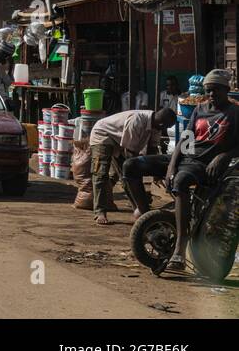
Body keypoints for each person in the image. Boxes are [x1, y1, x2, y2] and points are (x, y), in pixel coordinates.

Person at [165, 69, 239, 270]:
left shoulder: (234, 112)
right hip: (192, 160)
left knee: (183, 182)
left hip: (213, 166)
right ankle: (176, 241)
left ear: (227, 90)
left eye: (216, 90)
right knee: (140, 167)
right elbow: (185, 139)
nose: (212, 94)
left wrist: (224, 156)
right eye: (208, 90)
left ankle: (180, 249)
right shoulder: (199, 109)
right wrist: (171, 167)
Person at [90, 107, 176, 223]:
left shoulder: (157, 126)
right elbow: (130, 156)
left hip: (120, 141)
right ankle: (100, 211)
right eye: (166, 127)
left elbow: (152, 151)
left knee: (126, 177)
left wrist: (156, 174)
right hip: (103, 134)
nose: (165, 130)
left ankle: (137, 208)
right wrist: (139, 188)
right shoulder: (137, 121)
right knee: (101, 173)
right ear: (161, 123)